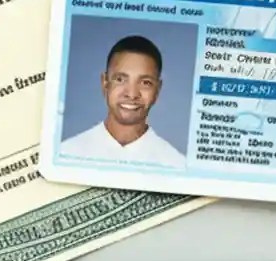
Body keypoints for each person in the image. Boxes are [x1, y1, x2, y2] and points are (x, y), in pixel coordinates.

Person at [61, 35, 186, 167]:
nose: (131, 94)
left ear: (157, 90)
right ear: (105, 83)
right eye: (120, 79)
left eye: (145, 82)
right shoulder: (67, 153)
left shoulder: (175, 164)